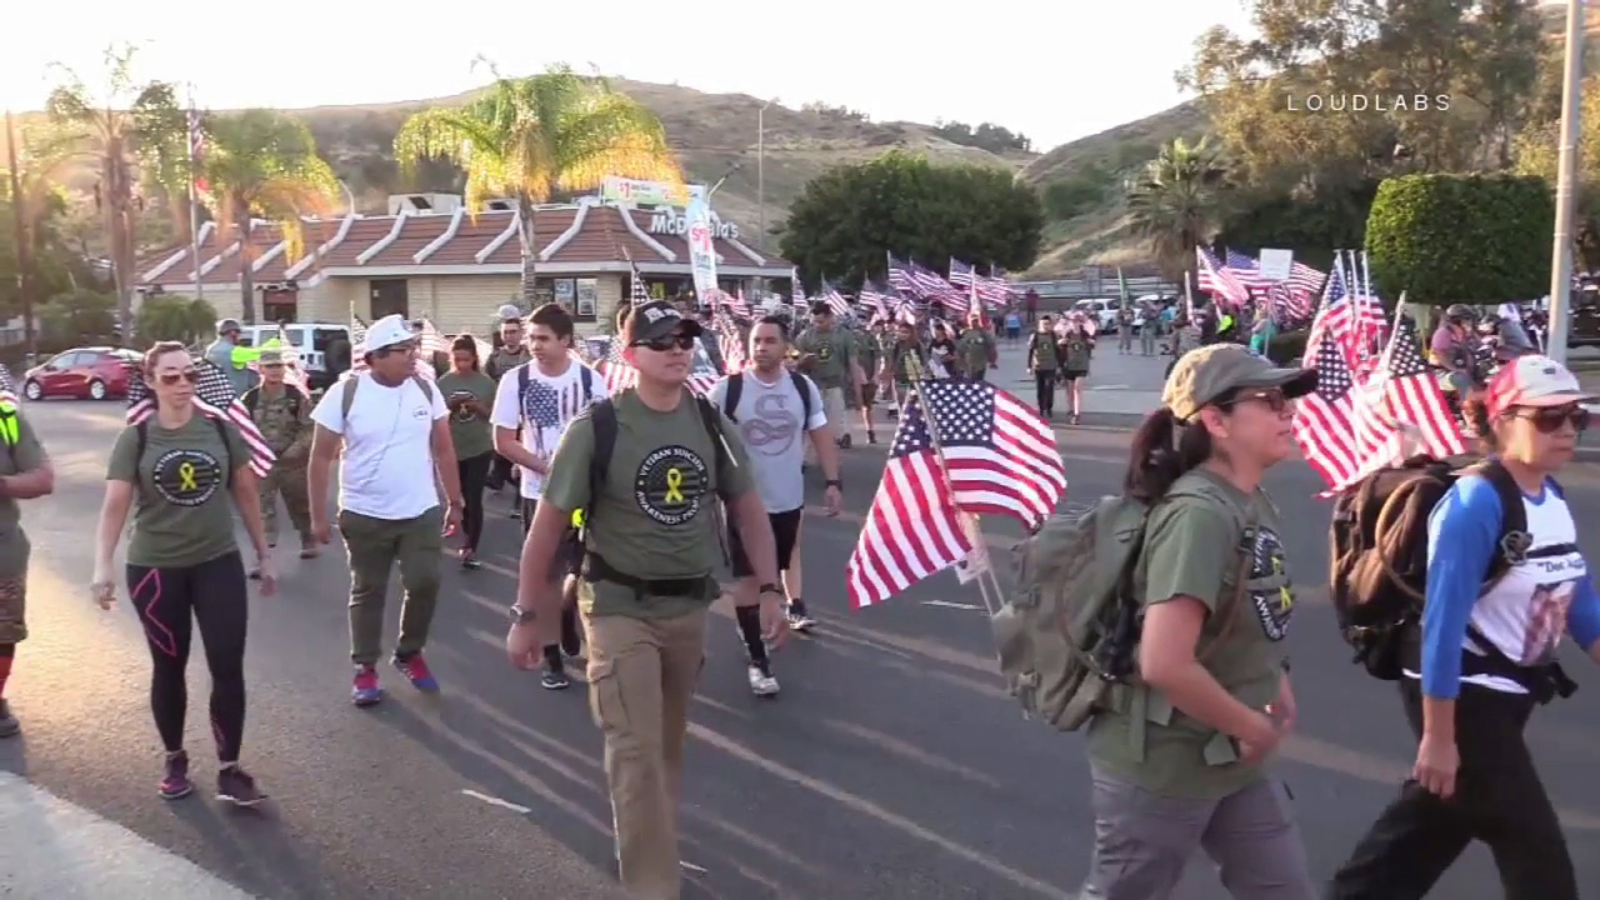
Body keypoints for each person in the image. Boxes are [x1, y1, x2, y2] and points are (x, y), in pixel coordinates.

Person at [510, 299, 784, 900]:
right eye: (663, 342)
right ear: (630, 356)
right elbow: (547, 530)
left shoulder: (711, 423)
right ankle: (653, 887)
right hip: (616, 606)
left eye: (686, 339)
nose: (680, 350)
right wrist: (528, 617)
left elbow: (749, 511)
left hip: (686, 610)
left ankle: (654, 846)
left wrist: (770, 589)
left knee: (664, 747)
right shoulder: (599, 427)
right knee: (634, 753)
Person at [1329, 355, 1600, 900]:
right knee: (1538, 861)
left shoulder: (1551, 498)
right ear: (1501, 420)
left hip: (1510, 696)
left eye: (1577, 417)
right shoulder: (1476, 502)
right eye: (1548, 418)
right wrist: (1438, 736)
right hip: (1468, 697)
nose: (1567, 430)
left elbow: (1581, 605)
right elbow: (1442, 624)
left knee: (1424, 833)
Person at [1081, 344, 1319, 899]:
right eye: (1270, 400)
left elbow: (1241, 609)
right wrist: (1250, 724)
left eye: (1287, 400)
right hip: (1164, 766)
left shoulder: (1244, 498)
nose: (1289, 412)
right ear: (1215, 420)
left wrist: (1271, 682)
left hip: (1230, 757)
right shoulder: (1200, 515)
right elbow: (1163, 661)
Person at [92, 343, 273, 805]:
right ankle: (174, 757)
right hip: (156, 570)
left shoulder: (218, 427)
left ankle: (230, 768)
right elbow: (115, 505)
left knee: (227, 666)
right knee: (168, 667)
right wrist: (102, 566)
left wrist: (262, 552)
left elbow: (246, 490)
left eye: (189, 375)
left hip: (218, 562)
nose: (182, 384)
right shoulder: (137, 437)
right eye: (170, 377)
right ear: (151, 382)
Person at [308, 314, 463, 706]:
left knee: (425, 581)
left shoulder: (427, 391)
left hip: (420, 511)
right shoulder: (345, 394)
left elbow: (443, 449)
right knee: (368, 590)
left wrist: (456, 501)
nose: (411, 356)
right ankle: (365, 668)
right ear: (375, 357)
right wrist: (317, 516)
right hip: (364, 514)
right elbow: (320, 456)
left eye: (413, 349)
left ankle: (409, 652)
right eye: (401, 351)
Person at [710, 316, 842, 693]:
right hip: (743, 503)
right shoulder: (728, 390)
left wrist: (833, 482)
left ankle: (755, 623)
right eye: (756, 340)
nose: (761, 347)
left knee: (779, 569)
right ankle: (759, 661)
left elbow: (821, 434)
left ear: (786, 347)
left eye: (770, 341)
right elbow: (703, 439)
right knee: (753, 579)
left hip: (789, 500)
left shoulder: (802, 388)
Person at [491, 302, 607, 690]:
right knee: (544, 574)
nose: (534, 345)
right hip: (538, 495)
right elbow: (504, 440)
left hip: (586, 501)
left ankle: (571, 611)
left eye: (543, 338)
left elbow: (607, 439)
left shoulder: (591, 382)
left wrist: (583, 478)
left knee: (586, 569)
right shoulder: (517, 381)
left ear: (566, 341)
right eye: (531, 338)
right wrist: (549, 470)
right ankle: (553, 655)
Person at [0, 371, 54, 738]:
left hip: (2, 550)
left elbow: (43, 477)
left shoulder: (7, 419)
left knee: (3, 632)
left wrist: (1, 484)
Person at [240, 348, 315, 566]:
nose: (274, 371)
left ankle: (308, 539)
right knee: (263, 509)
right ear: (260, 369)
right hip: (262, 463)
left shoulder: (295, 396)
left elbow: (308, 428)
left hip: (292, 463)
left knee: (299, 503)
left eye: (278, 366)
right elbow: (241, 429)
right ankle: (264, 555)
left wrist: (298, 449)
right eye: (269, 366)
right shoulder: (251, 398)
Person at [439, 334, 497, 569]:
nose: (461, 364)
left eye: (466, 359)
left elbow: (494, 416)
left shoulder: (486, 384)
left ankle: (470, 544)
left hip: (479, 448)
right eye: (457, 359)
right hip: (452, 449)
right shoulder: (443, 383)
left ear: (474, 358)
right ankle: (464, 531)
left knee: (474, 498)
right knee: (458, 498)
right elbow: (436, 418)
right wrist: (450, 408)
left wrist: (477, 406)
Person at [793, 302, 859, 450]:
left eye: (821, 321)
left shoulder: (844, 336)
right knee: (810, 422)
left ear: (830, 318)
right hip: (813, 385)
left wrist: (857, 390)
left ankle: (836, 445)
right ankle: (805, 457)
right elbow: (793, 359)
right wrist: (802, 360)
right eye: (814, 321)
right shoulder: (804, 337)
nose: (817, 325)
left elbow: (853, 363)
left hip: (835, 384)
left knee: (833, 425)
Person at [485, 311, 533, 500]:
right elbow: (487, 381)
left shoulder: (528, 356)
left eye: (513, 332)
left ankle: (513, 488)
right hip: (504, 407)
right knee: (503, 445)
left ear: (521, 334)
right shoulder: (495, 358)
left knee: (523, 450)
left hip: (526, 408)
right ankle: (500, 477)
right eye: (506, 332)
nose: (510, 336)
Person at [1058, 316, 1094, 425]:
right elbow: (1060, 349)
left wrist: (1091, 343)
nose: (1074, 324)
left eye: (1077, 322)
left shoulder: (1085, 335)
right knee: (1070, 391)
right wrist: (1060, 343)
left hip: (1081, 366)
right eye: (1073, 322)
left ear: (1080, 323)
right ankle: (1071, 409)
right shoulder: (1067, 335)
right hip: (1069, 365)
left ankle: (1077, 414)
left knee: (1077, 389)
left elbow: (1091, 346)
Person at [205, 318, 252, 396]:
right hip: (234, 396)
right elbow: (260, 354)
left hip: (215, 395)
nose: (240, 336)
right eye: (238, 332)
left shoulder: (211, 349)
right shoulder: (234, 351)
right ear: (232, 333)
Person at [852, 321, 881, 444]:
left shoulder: (871, 339)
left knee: (867, 406)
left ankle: (870, 432)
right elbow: (852, 358)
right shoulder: (848, 338)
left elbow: (877, 357)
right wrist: (859, 373)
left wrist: (875, 374)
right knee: (849, 407)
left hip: (869, 376)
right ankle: (844, 434)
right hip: (852, 377)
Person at [1027, 315, 1060, 418]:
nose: (1046, 326)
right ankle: (1041, 408)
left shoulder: (1053, 336)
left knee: (1049, 387)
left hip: (1051, 366)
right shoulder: (1036, 336)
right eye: (1043, 324)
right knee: (1040, 388)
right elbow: (1031, 351)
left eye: (1047, 324)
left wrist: (1059, 365)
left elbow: (1057, 351)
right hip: (1039, 366)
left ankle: (1049, 407)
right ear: (1040, 325)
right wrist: (1029, 366)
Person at [957, 311, 998, 381]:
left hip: (981, 360)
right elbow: (960, 347)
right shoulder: (965, 332)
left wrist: (992, 360)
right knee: (972, 378)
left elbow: (991, 345)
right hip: (969, 360)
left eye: (976, 321)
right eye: (972, 321)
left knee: (979, 378)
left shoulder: (983, 333)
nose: (974, 323)